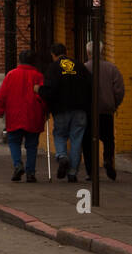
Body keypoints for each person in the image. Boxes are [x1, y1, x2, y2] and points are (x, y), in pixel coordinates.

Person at [37, 42, 92, 182]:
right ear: (65, 52)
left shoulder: (53, 68)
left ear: (53, 55)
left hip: (61, 109)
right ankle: (73, 173)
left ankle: (62, 156)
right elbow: (90, 85)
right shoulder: (79, 65)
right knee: (76, 140)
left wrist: (39, 90)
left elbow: (50, 89)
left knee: (60, 134)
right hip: (80, 109)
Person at [0, 50, 47, 182]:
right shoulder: (38, 76)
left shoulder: (11, 75)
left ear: (19, 60)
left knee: (14, 141)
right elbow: (43, 95)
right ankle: (30, 173)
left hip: (14, 114)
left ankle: (18, 164)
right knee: (32, 145)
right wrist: (46, 111)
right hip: (33, 114)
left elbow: (3, 95)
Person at [85, 41, 124, 181]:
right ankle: (108, 159)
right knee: (108, 139)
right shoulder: (112, 68)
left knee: (89, 141)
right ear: (101, 52)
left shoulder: (84, 68)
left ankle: (91, 171)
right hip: (107, 110)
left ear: (88, 53)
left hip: (89, 111)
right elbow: (119, 90)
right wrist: (114, 104)